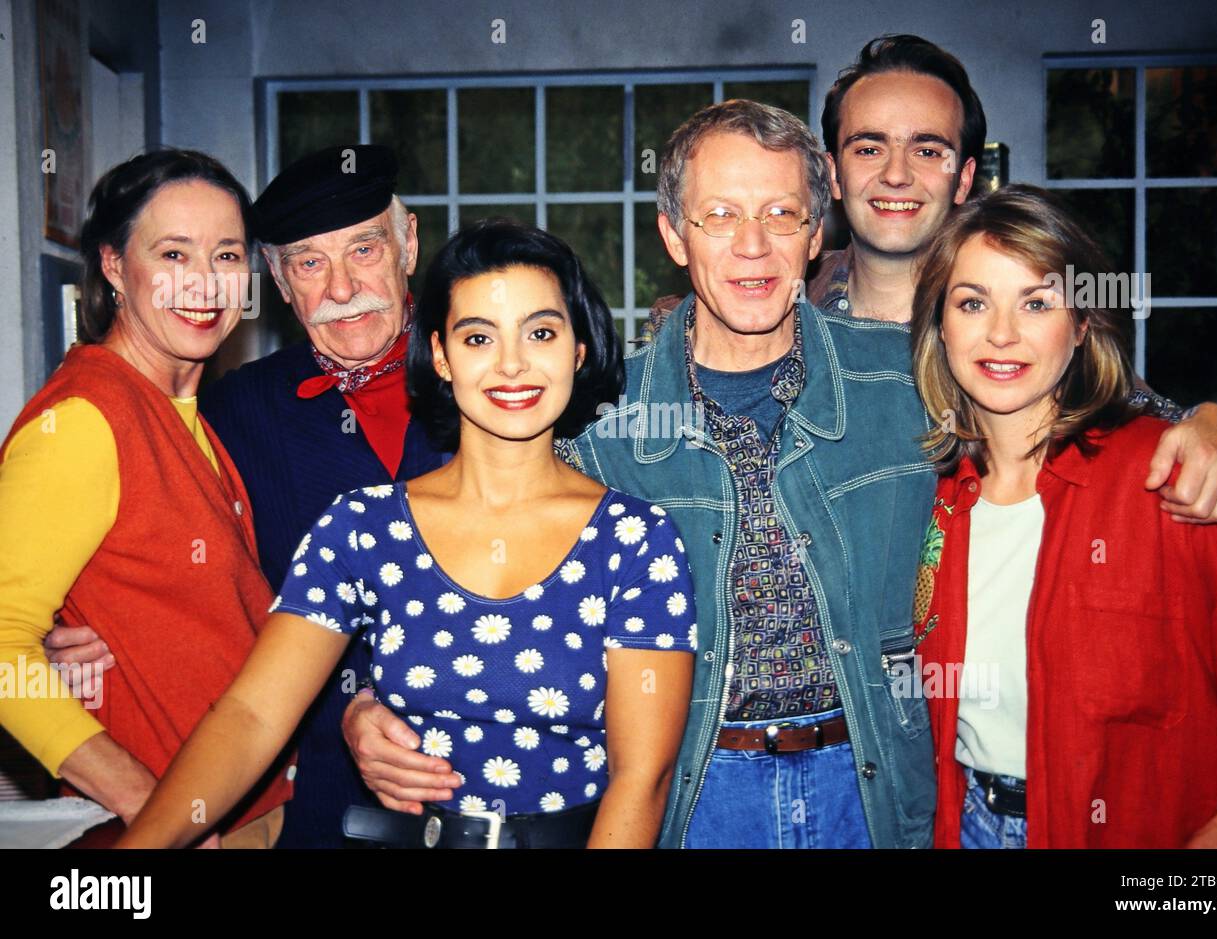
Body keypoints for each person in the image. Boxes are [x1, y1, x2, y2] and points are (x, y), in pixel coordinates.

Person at [349, 100, 938, 848]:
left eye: (781, 213)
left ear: (816, 232)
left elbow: (1054, 406)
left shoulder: (904, 378)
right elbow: (471, 557)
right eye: (719, 215)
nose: (752, 245)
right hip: (691, 795)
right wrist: (370, 698)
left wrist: (1141, 425)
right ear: (673, 236)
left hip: (872, 785)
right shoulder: (592, 420)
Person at [117, 220, 695, 849]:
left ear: (577, 352)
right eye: (479, 337)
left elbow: (643, 777)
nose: (511, 364)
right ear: (442, 356)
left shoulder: (635, 541)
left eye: (541, 332)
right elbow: (252, 716)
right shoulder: (364, 528)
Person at [648, 34, 1217, 525]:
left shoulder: (1007, 330)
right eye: (868, 148)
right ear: (830, 175)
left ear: (964, 179)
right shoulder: (768, 312)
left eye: (928, 150)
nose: (896, 175)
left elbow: (1125, 403)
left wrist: (1213, 423)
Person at [43, 144, 452, 847]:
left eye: (364, 248)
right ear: (278, 279)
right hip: (307, 809)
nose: (343, 287)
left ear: (408, 244)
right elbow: (182, 581)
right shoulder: (227, 413)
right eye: (308, 263)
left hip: (498, 790)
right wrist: (66, 627)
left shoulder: (497, 382)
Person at [907, 184, 1217, 848]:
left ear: (1084, 323)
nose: (1001, 333)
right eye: (973, 302)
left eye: (1037, 303)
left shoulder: (1178, 480)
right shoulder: (927, 495)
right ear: (939, 325)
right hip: (965, 824)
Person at [0, 150, 293, 847]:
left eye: (226, 255)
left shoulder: (188, 411)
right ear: (112, 267)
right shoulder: (84, 419)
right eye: (172, 253)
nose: (204, 282)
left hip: (247, 812)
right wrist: (153, 804)